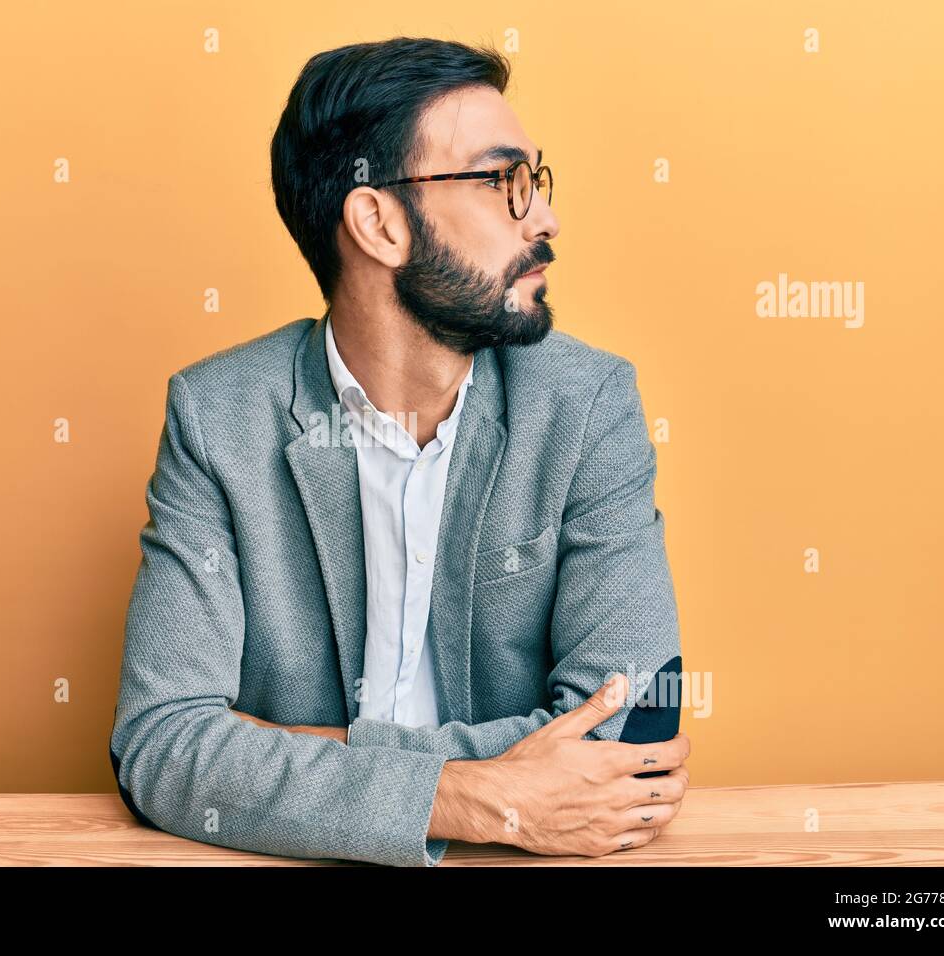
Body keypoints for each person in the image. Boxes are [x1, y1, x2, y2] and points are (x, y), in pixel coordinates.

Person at [110, 36, 689, 867]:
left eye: (536, 183)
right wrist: (467, 795)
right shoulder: (218, 416)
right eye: (502, 183)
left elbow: (634, 737)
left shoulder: (586, 405)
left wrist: (284, 751)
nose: (546, 217)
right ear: (378, 222)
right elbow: (163, 745)